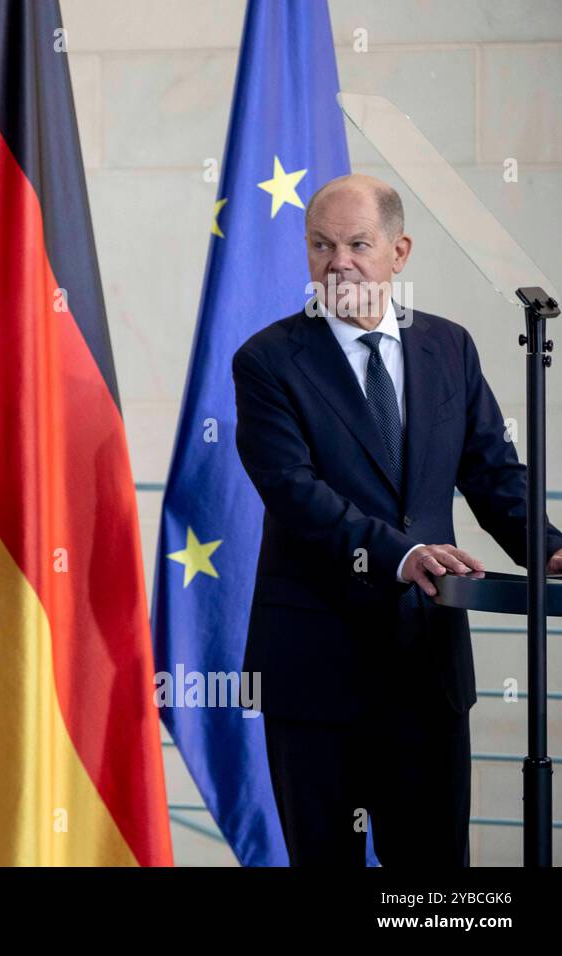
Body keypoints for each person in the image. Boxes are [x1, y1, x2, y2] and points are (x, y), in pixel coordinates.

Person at [232, 173, 562, 866]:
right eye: (321, 245)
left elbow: (494, 473)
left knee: (436, 881)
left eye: (357, 243)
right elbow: (295, 493)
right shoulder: (267, 361)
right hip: (316, 674)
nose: (338, 261)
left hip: (427, 671)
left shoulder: (449, 347)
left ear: (399, 251)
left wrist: (551, 549)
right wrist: (402, 556)